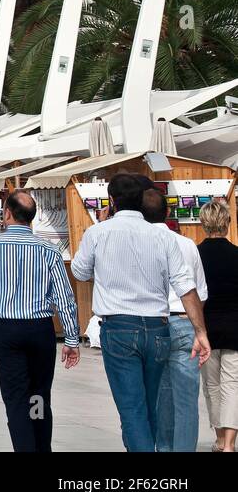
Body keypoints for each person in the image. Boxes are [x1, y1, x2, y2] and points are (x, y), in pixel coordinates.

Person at [71, 173, 211, 452]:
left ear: (112, 201)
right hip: (157, 328)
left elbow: (80, 270)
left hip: (119, 327)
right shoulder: (163, 236)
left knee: (132, 408)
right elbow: (186, 287)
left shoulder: (99, 233)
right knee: (152, 404)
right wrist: (200, 331)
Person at [0, 190, 79, 452]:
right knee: (38, 396)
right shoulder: (48, 250)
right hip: (40, 330)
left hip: (6, 330)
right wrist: (71, 338)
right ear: (31, 218)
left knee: (15, 397)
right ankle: (40, 447)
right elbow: (64, 297)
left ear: (7, 213)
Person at [140, 186, 208, 452]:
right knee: (187, 400)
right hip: (184, 321)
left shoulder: (139, 243)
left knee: (159, 397)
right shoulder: (187, 244)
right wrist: (199, 329)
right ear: (167, 212)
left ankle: (164, 449)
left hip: (151, 324)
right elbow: (200, 291)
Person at [197, 198, 238, 452]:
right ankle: (230, 444)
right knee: (233, 384)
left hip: (205, 330)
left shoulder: (194, 255)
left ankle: (220, 438)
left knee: (211, 386)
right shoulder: (237, 255)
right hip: (236, 329)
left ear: (203, 224)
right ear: (227, 223)